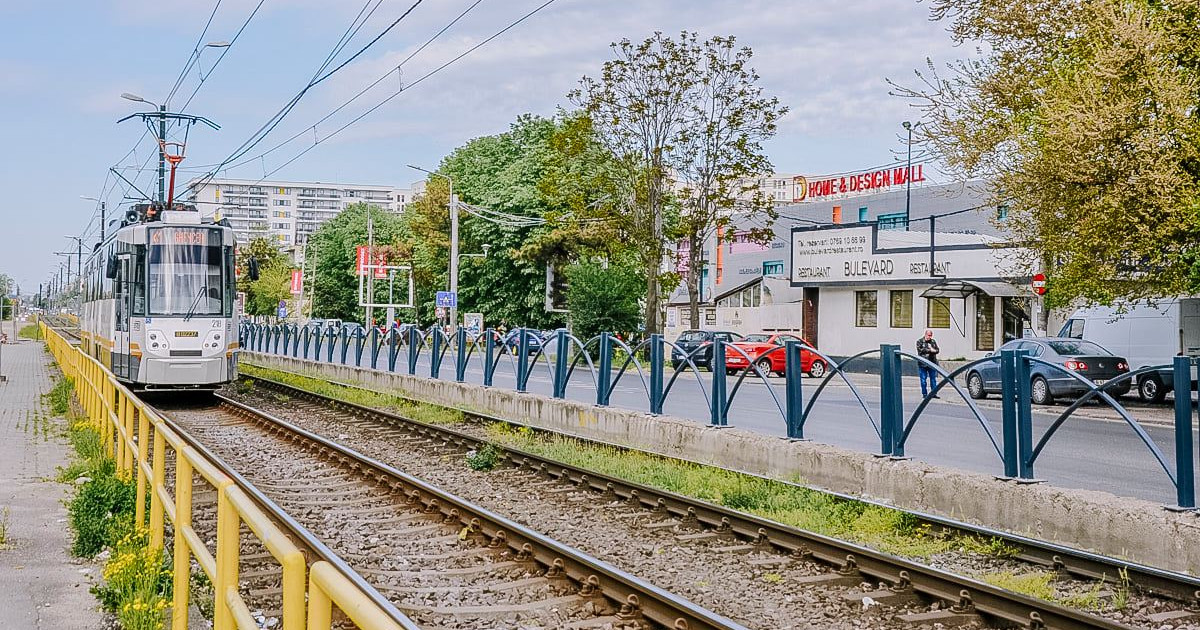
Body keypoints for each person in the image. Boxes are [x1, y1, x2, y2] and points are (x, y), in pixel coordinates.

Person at [916, 329, 940, 398]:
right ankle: (924, 394)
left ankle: (934, 393)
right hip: (923, 364)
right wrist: (930, 350)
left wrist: (933, 350)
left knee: (933, 379)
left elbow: (937, 350)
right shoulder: (920, 341)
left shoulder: (933, 341)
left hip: (932, 363)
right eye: (928, 335)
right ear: (925, 334)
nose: (929, 337)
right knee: (923, 380)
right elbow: (920, 350)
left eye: (931, 335)